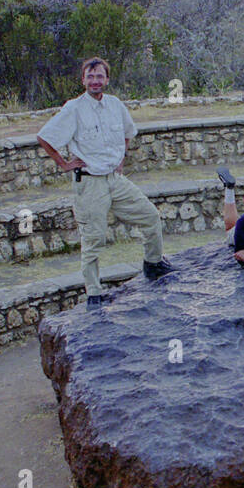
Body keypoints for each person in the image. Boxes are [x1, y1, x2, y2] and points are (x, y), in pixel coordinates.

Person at [36, 58, 174, 310]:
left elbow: (127, 133)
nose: (95, 81)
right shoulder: (74, 109)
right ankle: (94, 292)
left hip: (115, 179)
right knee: (93, 239)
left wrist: (121, 158)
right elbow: (45, 138)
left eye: (100, 77)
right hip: (90, 184)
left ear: (107, 80)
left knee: (150, 215)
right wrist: (64, 164)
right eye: (90, 77)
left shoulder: (115, 105)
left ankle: (153, 263)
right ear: (83, 80)